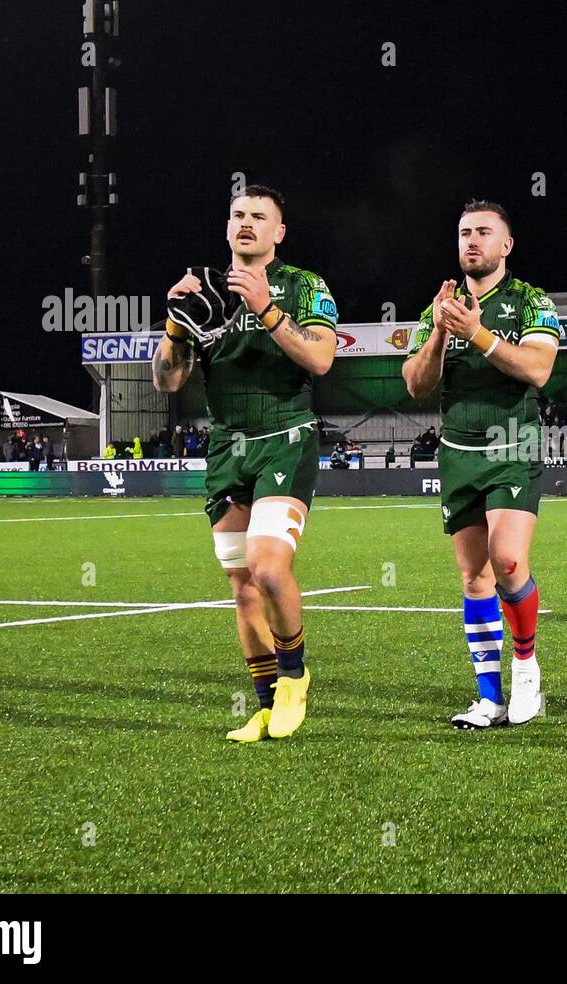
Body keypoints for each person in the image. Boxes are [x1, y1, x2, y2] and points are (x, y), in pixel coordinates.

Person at [152, 184, 339, 742]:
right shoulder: (204, 289)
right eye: (237, 214)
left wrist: (264, 306)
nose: (247, 223)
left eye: (260, 216)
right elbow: (168, 381)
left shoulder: (305, 285)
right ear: (226, 226)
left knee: (268, 567)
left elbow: (322, 358)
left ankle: (294, 677)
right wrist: (174, 326)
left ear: (279, 231)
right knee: (241, 584)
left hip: (285, 437)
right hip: (226, 447)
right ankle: (262, 706)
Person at [402, 200, 560, 729]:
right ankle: (488, 698)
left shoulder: (530, 301)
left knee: (509, 562)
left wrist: (479, 334)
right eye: (465, 232)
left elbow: (537, 369)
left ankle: (526, 669)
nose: (472, 241)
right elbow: (417, 384)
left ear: (506, 245)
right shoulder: (437, 311)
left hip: (514, 446)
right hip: (458, 453)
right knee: (474, 576)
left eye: (484, 233)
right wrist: (445, 333)